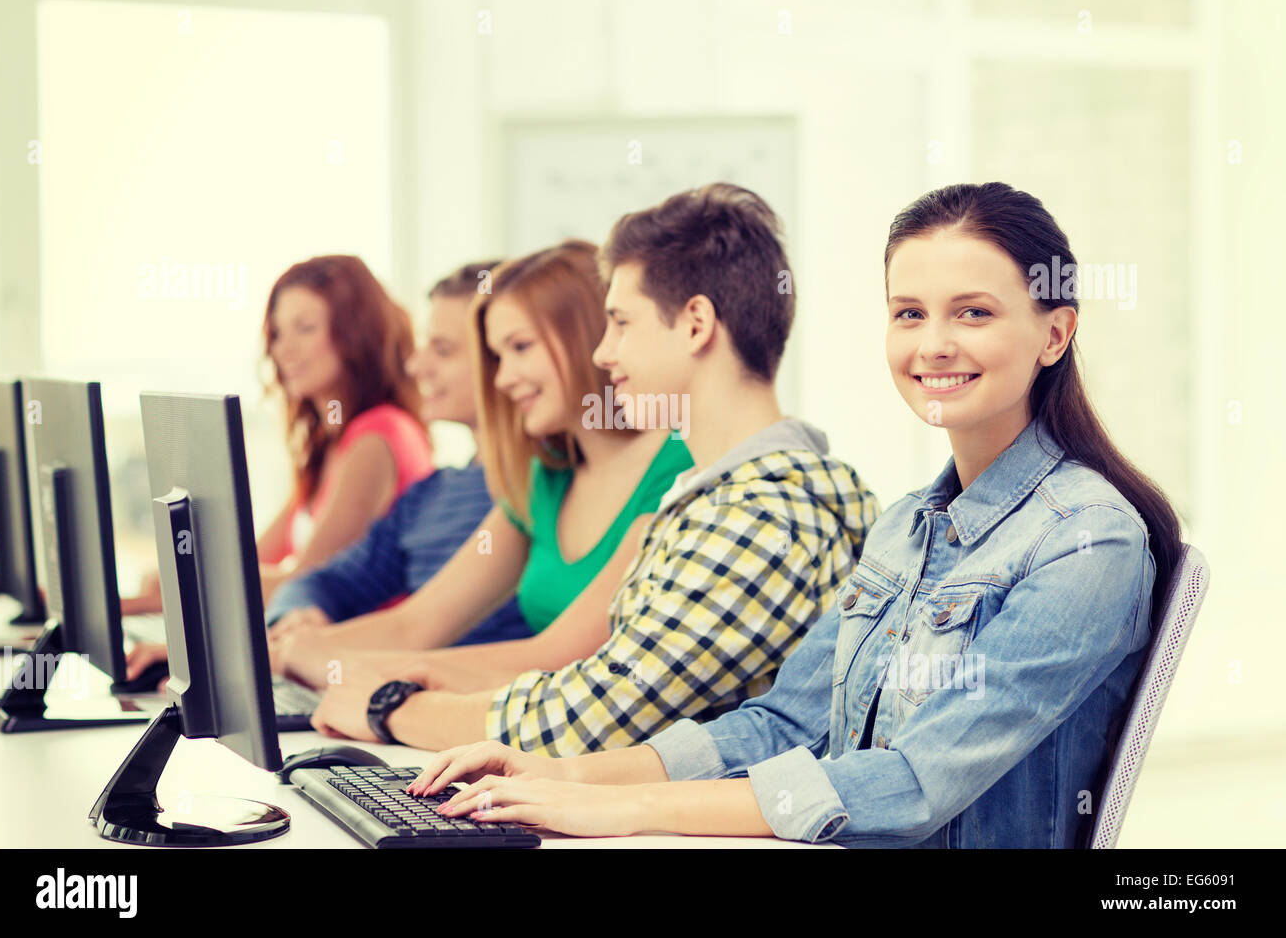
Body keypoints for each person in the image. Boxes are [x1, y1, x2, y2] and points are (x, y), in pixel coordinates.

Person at [406, 181, 1183, 849]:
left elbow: (909, 784)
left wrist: (612, 805)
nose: (934, 344)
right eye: (909, 313)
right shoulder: (906, 526)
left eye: (972, 313)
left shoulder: (1088, 539)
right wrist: (561, 775)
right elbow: (781, 723)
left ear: (1056, 332)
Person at [303, 183, 879, 756]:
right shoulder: (707, 497)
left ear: (696, 325)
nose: (604, 354)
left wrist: (393, 708)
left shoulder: (762, 515)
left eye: (622, 323)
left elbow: (590, 715)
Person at [271, 240, 695, 682]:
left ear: (585, 334)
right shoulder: (545, 478)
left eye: (521, 347)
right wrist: (291, 649)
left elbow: (556, 655)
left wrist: (334, 665)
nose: (505, 379)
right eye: (496, 356)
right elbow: (415, 624)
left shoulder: (675, 469)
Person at [123, 254, 433, 678]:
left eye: (305, 328)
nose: (283, 349)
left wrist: (156, 597)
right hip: (305, 655)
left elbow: (303, 582)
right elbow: (248, 563)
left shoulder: (378, 438)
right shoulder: (330, 445)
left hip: (351, 667)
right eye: (277, 331)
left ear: (355, 335)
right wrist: (161, 589)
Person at [261, 260, 530, 649]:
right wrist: (301, 620)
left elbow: (416, 632)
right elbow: (317, 582)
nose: (416, 364)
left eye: (443, 349)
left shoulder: (541, 490)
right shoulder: (430, 495)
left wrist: (311, 650)